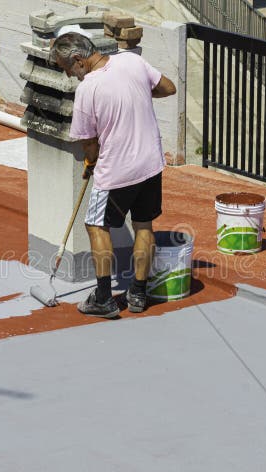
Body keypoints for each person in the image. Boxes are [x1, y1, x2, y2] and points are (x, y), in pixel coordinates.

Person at [51, 32, 177, 319]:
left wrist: (90, 163)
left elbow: (89, 143)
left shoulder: (87, 89)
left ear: (79, 60)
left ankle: (105, 298)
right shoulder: (132, 62)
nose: (69, 75)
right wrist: (143, 93)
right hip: (151, 164)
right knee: (144, 226)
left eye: (66, 68)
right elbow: (167, 88)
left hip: (116, 172)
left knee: (96, 226)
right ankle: (138, 293)